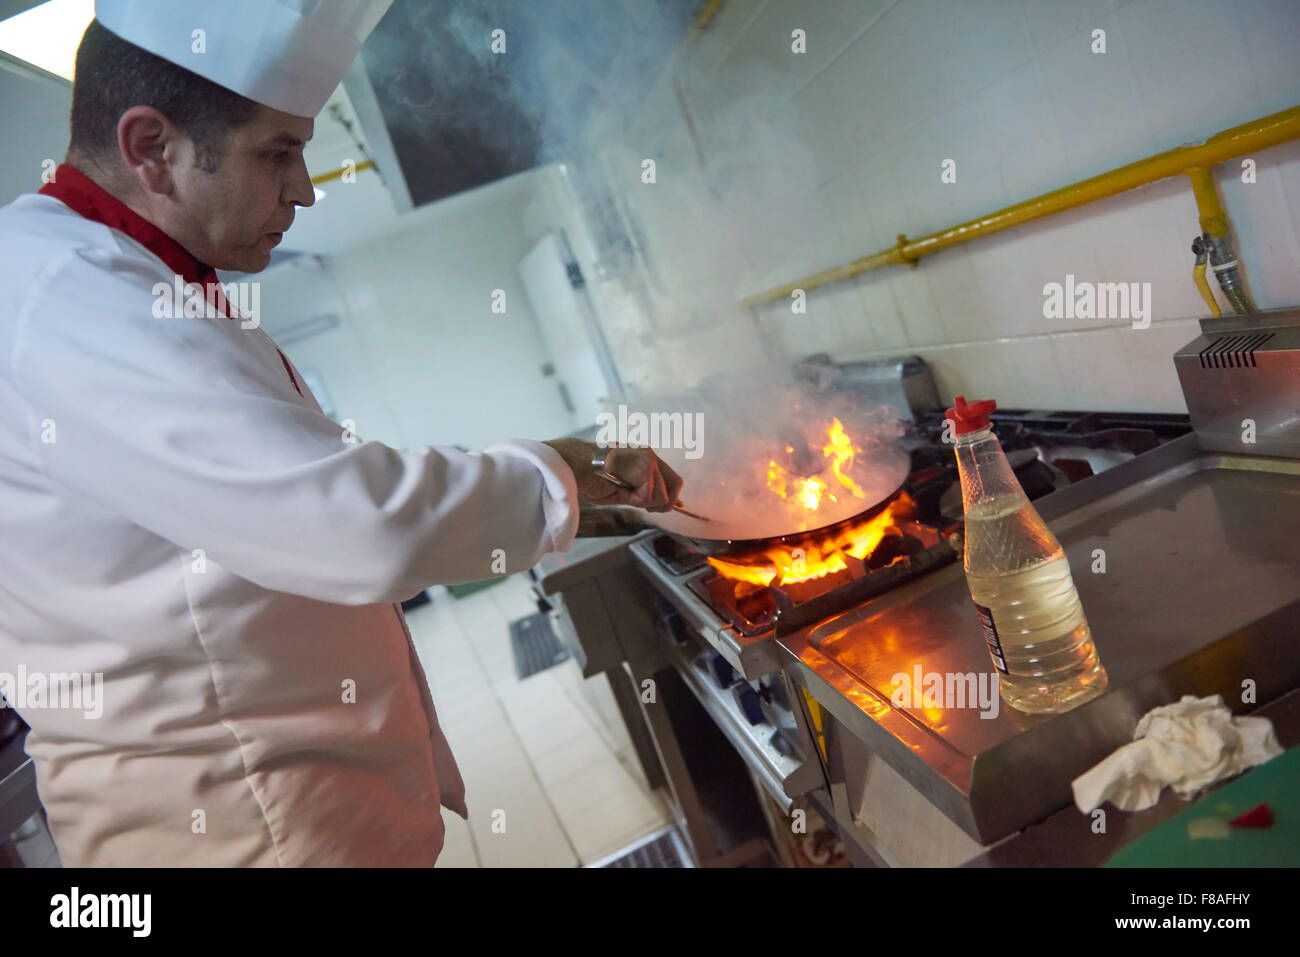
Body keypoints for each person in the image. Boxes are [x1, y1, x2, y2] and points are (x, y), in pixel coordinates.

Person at [0, 1, 682, 866]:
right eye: (278, 152)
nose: (305, 188)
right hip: (243, 835)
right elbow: (351, 522)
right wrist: (558, 476)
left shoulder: (127, 275)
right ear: (151, 149)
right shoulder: (61, 294)